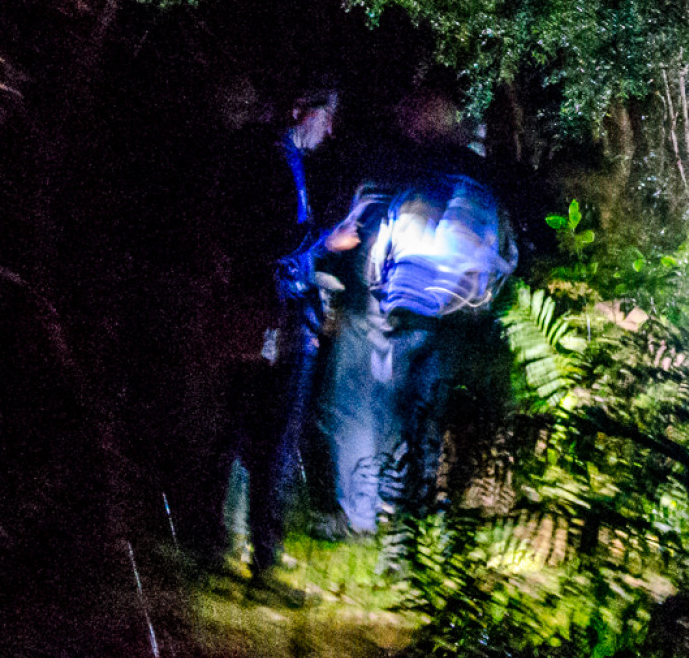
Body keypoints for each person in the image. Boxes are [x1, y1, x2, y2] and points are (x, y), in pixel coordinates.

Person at [317, 89, 517, 535]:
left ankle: (367, 514)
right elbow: (501, 253)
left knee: (362, 409)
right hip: (434, 320)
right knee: (407, 417)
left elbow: (370, 230)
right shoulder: (471, 175)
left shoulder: (403, 165)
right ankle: (400, 515)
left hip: (390, 312)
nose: (407, 116)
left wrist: (359, 292)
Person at [193, 84, 342, 605]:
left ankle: (214, 547)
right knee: (272, 440)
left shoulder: (261, 156)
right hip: (272, 315)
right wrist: (326, 238)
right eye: (327, 115)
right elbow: (271, 237)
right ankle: (265, 568)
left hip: (252, 310)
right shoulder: (273, 160)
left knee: (236, 430)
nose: (330, 129)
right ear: (301, 110)